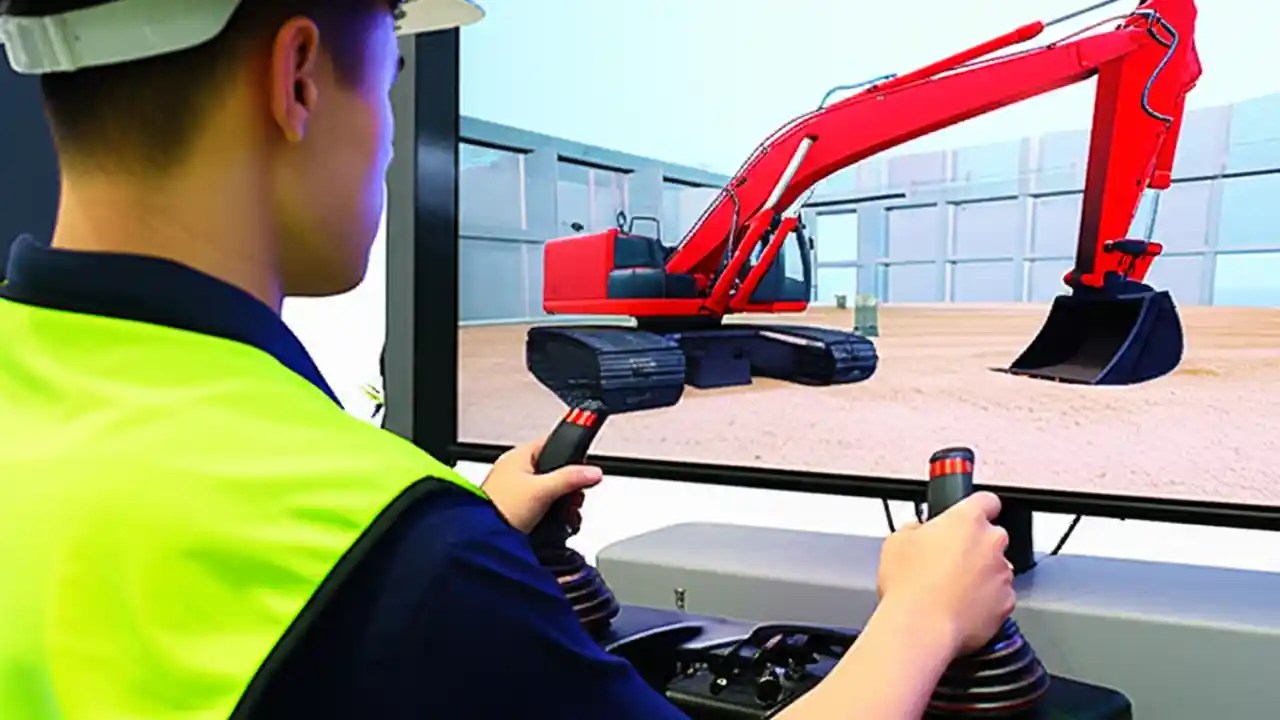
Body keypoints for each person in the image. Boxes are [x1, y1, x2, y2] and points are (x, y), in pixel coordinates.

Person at [0, 1, 1016, 718]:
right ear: (298, 77)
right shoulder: (392, 555)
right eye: (393, 78)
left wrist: (464, 539)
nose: (393, 140)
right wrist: (923, 617)